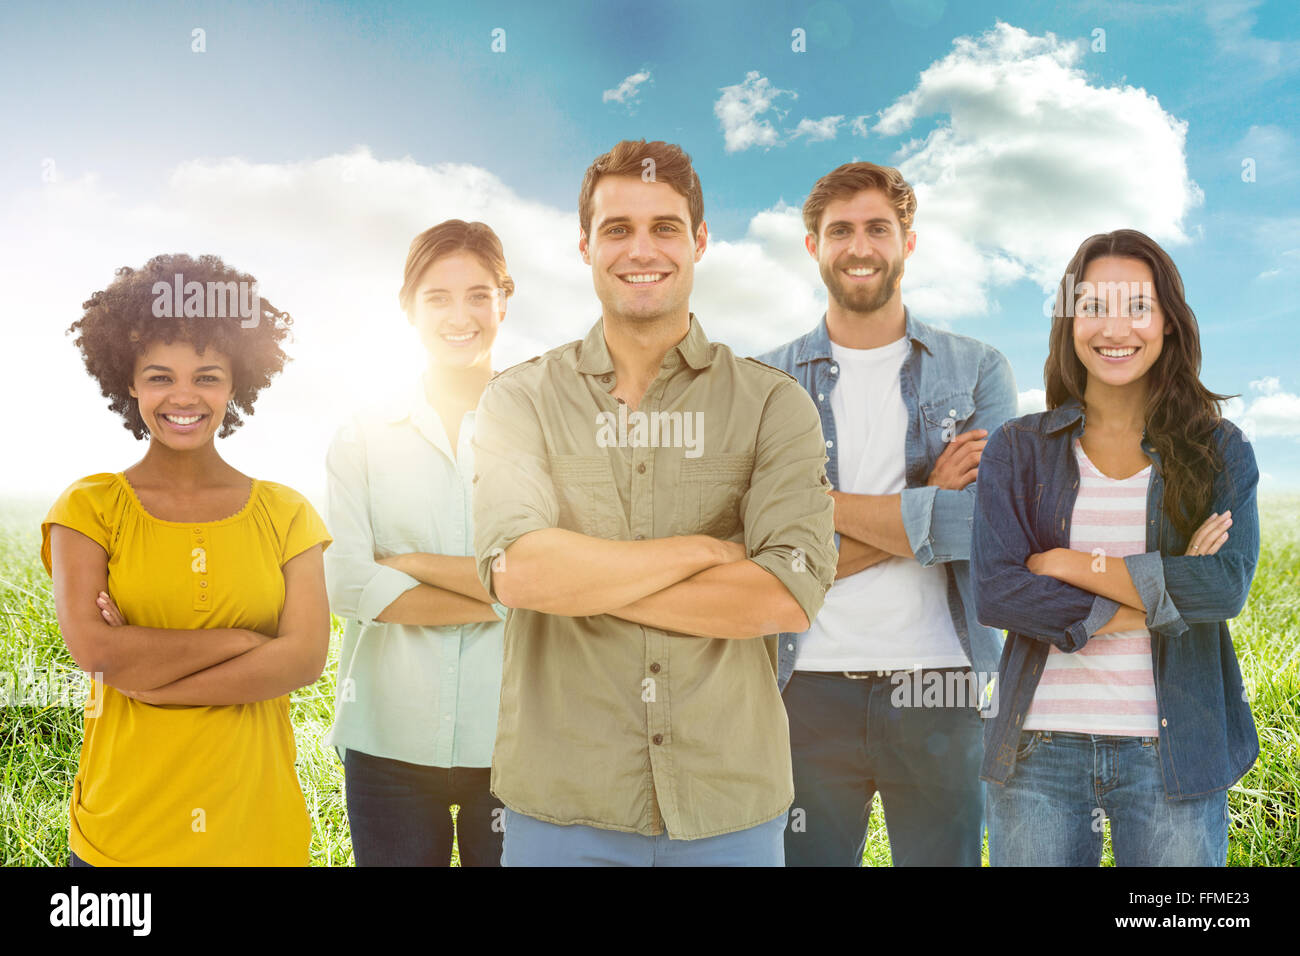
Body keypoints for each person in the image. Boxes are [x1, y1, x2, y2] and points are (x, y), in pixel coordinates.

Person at [470, 139, 838, 866]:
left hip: (728, 812)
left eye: (664, 227)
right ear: (585, 246)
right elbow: (521, 574)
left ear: (699, 240)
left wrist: (585, 582)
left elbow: (785, 596)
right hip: (561, 811)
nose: (642, 249)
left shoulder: (773, 405)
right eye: (617, 229)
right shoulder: (518, 400)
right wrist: (704, 553)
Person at [756, 162, 1018, 866]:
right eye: (840, 230)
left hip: (941, 684)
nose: (860, 246)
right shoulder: (764, 381)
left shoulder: (976, 370)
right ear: (813, 246)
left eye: (878, 228)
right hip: (801, 689)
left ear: (908, 240)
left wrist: (816, 508)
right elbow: (759, 545)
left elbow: (988, 531)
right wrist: (929, 497)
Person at [972, 229, 1259, 866]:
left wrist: (1066, 565)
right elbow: (997, 591)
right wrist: (1153, 595)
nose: (1115, 327)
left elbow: (1224, 587)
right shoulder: (1019, 449)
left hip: (1174, 756)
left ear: (1168, 321)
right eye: (1094, 305)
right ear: (1069, 319)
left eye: (1137, 305)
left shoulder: (1219, 451)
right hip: (1037, 750)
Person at [42, 253, 331, 866]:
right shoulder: (89, 508)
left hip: (256, 833)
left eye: (206, 376)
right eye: (158, 376)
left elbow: (304, 659)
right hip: (123, 837)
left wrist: (154, 684)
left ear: (235, 384)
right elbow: (98, 654)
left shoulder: (286, 513)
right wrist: (245, 641)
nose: (183, 396)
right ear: (128, 380)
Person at [324, 220, 511, 866]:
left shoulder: (544, 430)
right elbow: (347, 581)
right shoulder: (363, 433)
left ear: (504, 301)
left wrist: (407, 568)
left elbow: (567, 580)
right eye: (437, 296)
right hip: (386, 740)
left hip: (515, 739)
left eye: (478, 294)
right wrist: (507, 597)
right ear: (408, 308)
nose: (460, 315)